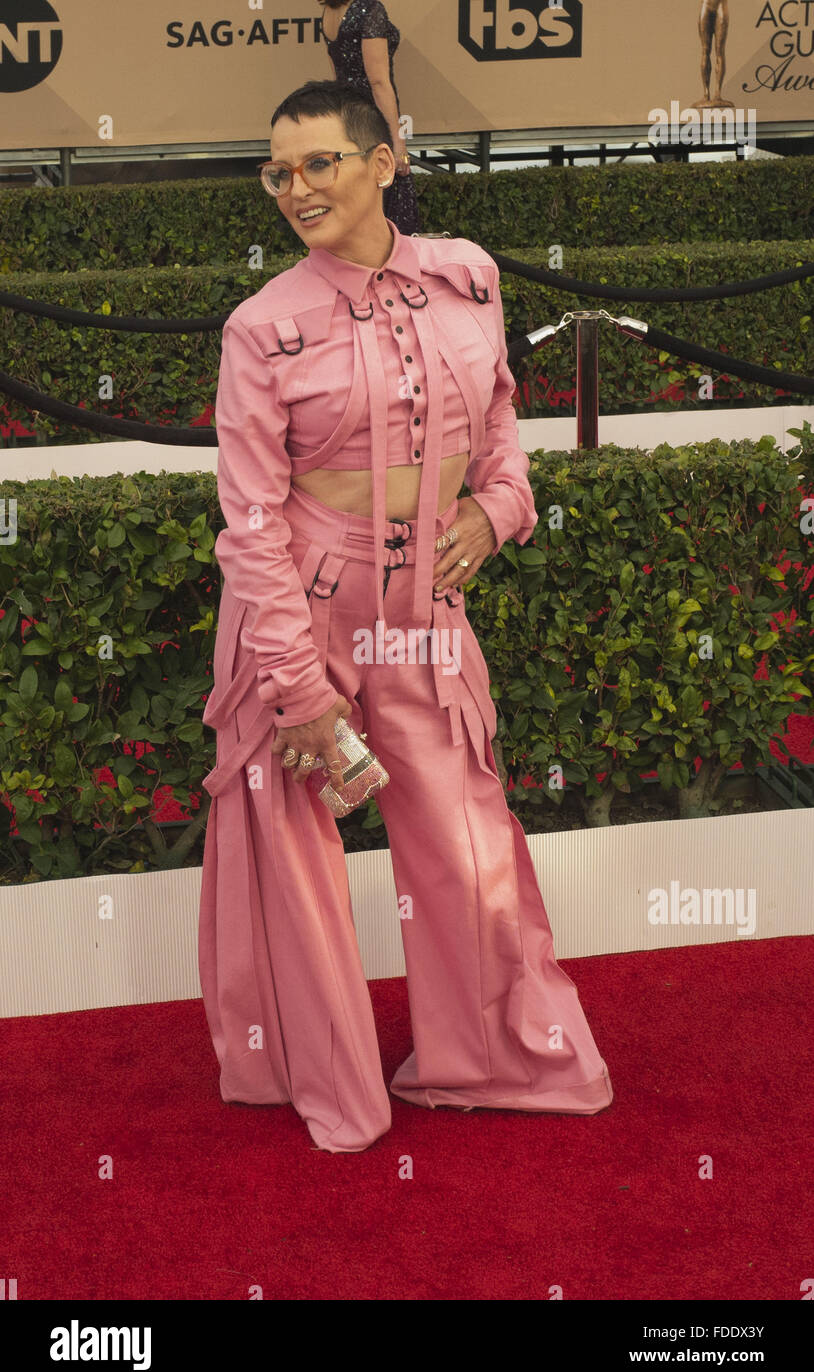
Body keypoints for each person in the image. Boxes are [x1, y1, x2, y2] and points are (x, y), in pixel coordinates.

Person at [197, 79, 613, 1153]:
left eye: (320, 163)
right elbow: (248, 523)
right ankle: (315, 1072)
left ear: (384, 163)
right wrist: (292, 685)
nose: (295, 189)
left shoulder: (467, 274)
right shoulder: (260, 325)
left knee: (464, 831)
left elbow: (503, 417)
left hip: (427, 600)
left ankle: (496, 1055)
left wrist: (500, 506)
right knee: (288, 847)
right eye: (277, 171)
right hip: (302, 601)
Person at [317, 0, 420, 233]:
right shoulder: (370, 9)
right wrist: (398, 144)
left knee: (359, 200)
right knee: (389, 209)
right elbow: (378, 81)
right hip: (373, 121)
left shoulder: (328, 12)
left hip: (349, 119)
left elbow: (337, 76)